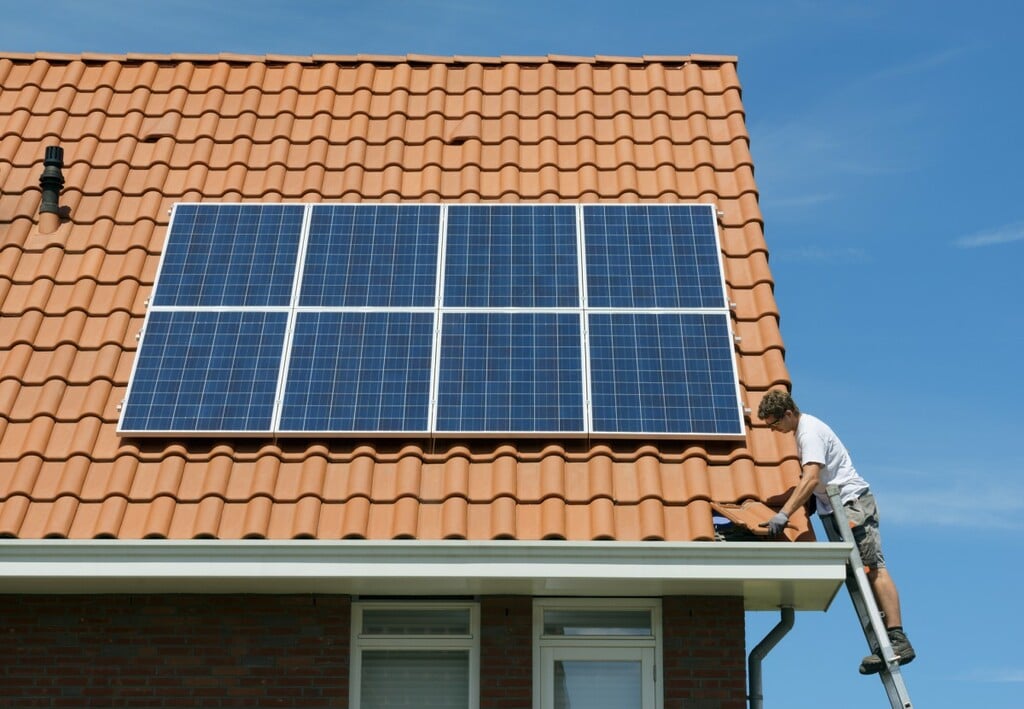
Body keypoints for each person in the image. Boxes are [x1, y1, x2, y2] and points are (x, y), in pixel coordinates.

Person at [757, 389, 915, 674]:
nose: (774, 430)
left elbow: (812, 477)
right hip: (836, 510)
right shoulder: (801, 432)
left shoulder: (809, 432)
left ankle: (898, 638)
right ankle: (881, 645)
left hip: (853, 506)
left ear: (789, 414)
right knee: (858, 577)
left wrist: (784, 514)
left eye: (774, 423)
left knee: (873, 568)